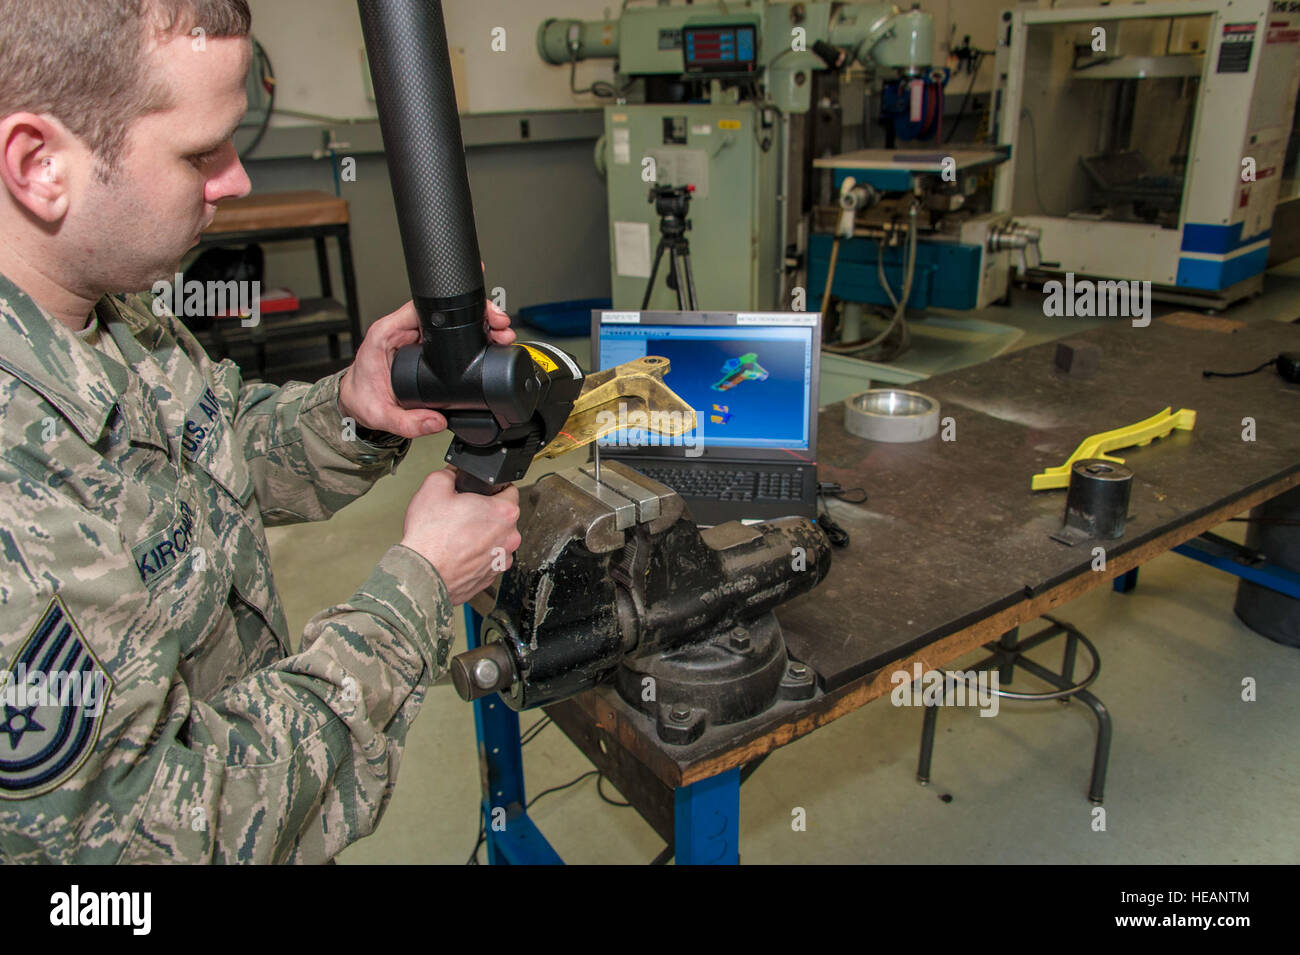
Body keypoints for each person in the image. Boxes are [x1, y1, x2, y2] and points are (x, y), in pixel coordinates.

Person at [0, 0, 522, 862]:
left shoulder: (106, 302)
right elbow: (157, 841)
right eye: (200, 151)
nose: (237, 178)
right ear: (39, 163)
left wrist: (352, 407)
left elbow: (210, 444)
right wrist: (418, 587)